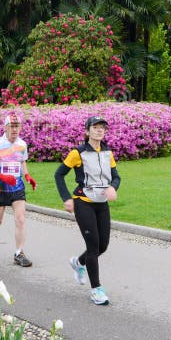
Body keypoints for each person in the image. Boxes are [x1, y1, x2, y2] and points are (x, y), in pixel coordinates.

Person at [54, 116, 121, 306]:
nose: (100, 130)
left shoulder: (108, 152)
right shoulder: (78, 153)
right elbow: (59, 174)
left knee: (102, 246)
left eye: (102, 128)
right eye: (96, 127)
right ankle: (96, 290)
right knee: (93, 246)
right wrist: (67, 198)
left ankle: (78, 262)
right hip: (83, 203)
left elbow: (116, 177)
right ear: (87, 131)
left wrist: (113, 188)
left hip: (101, 203)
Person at [0, 113, 37, 267]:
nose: (14, 129)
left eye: (17, 126)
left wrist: (27, 175)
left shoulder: (22, 145)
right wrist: (1, 176)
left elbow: (22, 161)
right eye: (11, 126)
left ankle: (19, 253)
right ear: (5, 127)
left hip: (17, 188)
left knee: (20, 219)